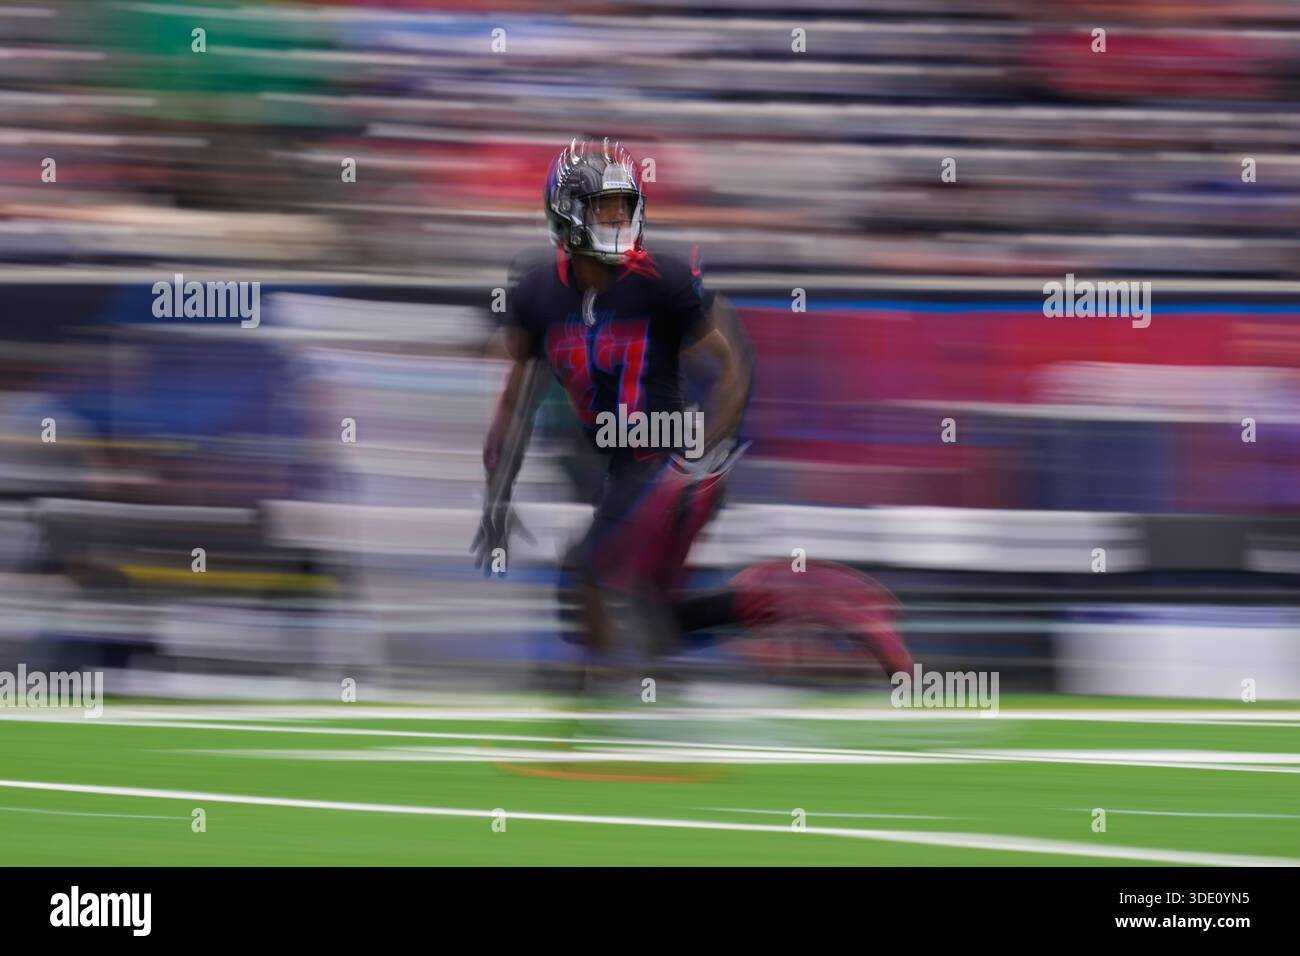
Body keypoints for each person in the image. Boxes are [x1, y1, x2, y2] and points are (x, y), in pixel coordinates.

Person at [474, 136, 910, 689]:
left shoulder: (662, 281)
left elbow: (732, 364)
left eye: (623, 206)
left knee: (583, 578)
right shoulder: (539, 294)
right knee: (663, 626)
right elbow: (517, 398)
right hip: (627, 467)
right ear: (566, 211)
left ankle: (603, 711)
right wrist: (496, 492)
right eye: (603, 207)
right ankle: (829, 608)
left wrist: (706, 449)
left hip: (668, 457)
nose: (616, 218)